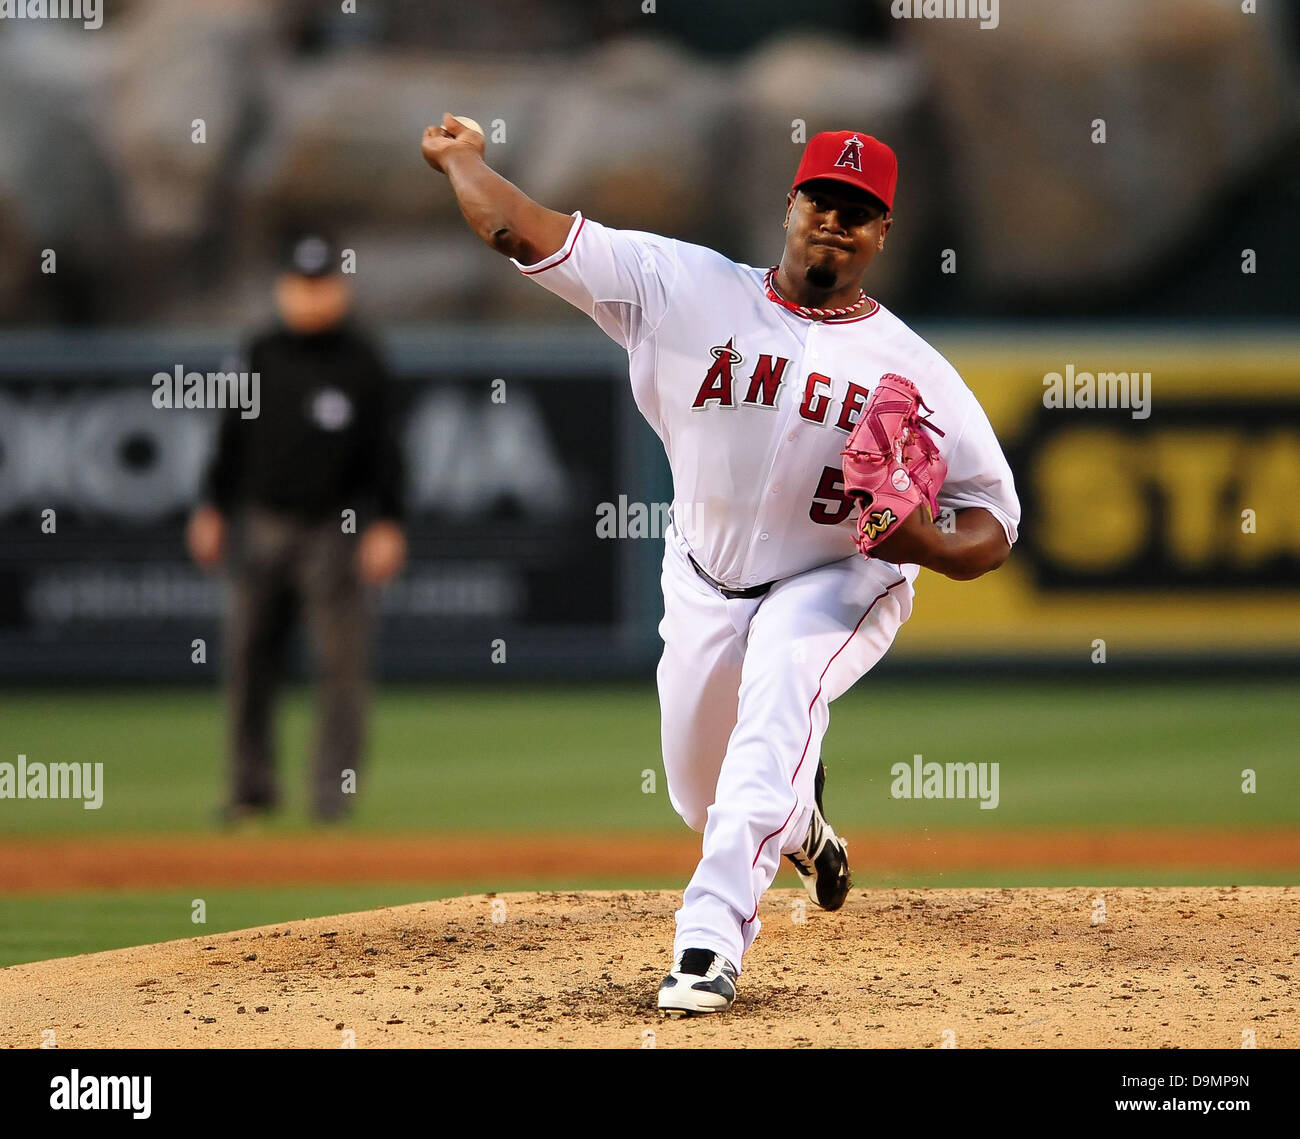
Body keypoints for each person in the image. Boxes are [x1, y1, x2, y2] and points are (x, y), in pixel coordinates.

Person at [421, 116, 1019, 1014]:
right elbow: (521, 228)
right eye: (823, 200)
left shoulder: (915, 368)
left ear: (882, 233)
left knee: (779, 695)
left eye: (859, 212)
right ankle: (802, 823)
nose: (836, 221)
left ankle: (707, 944)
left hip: (840, 577)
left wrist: (926, 546)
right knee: (700, 789)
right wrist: (464, 159)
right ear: (791, 205)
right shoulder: (682, 285)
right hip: (702, 574)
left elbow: (997, 520)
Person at [187, 234, 407, 825]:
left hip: (334, 531)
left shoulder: (362, 359)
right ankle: (250, 789)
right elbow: (229, 439)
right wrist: (211, 506)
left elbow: (387, 452)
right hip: (261, 524)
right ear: (284, 288)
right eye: (301, 284)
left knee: (341, 669)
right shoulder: (258, 351)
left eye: (322, 283)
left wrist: (388, 521)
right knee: (248, 658)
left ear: (341, 286)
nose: (311, 296)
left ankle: (331, 799)